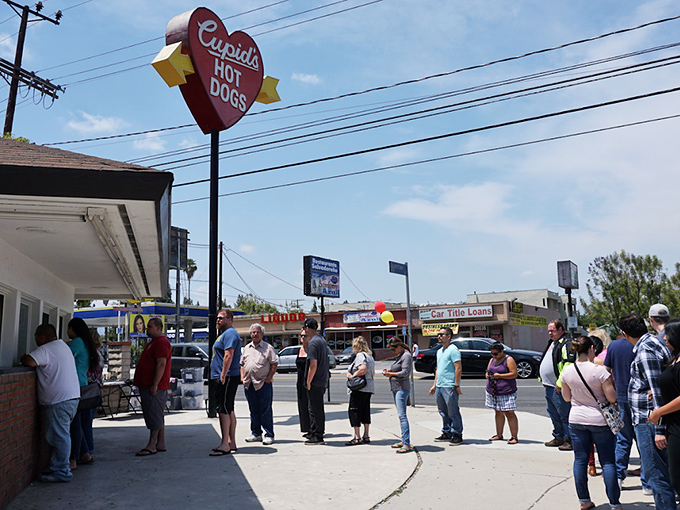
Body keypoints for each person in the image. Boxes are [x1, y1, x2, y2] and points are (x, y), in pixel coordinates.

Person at [622, 312, 677, 510]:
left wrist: (660, 430)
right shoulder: (654, 344)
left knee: (656, 474)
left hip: (649, 421)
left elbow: (657, 390)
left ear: (624, 334)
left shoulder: (645, 351)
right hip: (652, 419)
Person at [561, 336, 621, 510]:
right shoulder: (599, 371)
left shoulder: (567, 371)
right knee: (608, 462)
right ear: (591, 349)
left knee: (580, 460)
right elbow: (612, 397)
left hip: (576, 418)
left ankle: (584, 501)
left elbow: (566, 397)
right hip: (599, 420)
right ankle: (614, 503)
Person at [20, 324, 80, 482]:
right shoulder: (62, 346)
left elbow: (30, 362)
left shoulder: (47, 348)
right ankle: (57, 467)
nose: (35, 340)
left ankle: (61, 472)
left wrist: (24, 357)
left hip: (59, 401)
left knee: (60, 437)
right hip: (70, 399)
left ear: (41, 337)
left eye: (35, 337)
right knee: (60, 436)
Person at [649, 318, 680, 500]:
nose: (665, 338)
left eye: (668, 334)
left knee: (677, 479)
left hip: (677, 426)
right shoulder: (675, 356)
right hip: (674, 425)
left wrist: (659, 412)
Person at [133, 317, 171, 456]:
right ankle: (160, 442)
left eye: (149, 327)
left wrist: (155, 384)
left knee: (153, 414)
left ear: (158, 328)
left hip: (154, 387)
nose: (146, 329)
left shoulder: (161, 342)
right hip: (149, 385)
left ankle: (152, 444)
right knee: (157, 414)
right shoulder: (154, 342)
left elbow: (161, 364)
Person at [66, 317, 100, 470]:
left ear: (73, 329)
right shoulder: (85, 343)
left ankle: (74, 458)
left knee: (74, 424)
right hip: (81, 385)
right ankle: (85, 453)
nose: (67, 332)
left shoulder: (77, 342)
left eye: (69, 328)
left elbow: (62, 356)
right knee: (77, 423)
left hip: (75, 387)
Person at [209, 309, 242, 456]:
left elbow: (228, 355)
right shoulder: (224, 334)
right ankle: (230, 442)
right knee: (229, 409)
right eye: (217, 318)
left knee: (223, 410)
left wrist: (222, 375)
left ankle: (224, 444)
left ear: (229, 319)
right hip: (225, 376)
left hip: (226, 377)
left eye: (221, 318)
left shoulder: (229, 334)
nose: (218, 320)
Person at [241, 323, 278, 445]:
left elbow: (274, 364)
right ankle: (256, 433)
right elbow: (242, 365)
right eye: (253, 332)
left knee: (265, 410)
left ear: (262, 334)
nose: (255, 334)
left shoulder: (268, 348)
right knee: (253, 410)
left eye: (257, 332)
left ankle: (269, 434)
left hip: (263, 384)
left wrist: (268, 378)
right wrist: (242, 378)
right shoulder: (246, 348)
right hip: (249, 383)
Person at [539, 320, 574, 450]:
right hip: (549, 386)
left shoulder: (566, 343)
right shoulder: (552, 343)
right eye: (549, 331)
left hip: (559, 387)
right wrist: (541, 378)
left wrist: (560, 383)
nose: (550, 333)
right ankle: (558, 437)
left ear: (561, 330)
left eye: (552, 330)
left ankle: (569, 439)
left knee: (564, 414)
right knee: (553, 413)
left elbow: (568, 364)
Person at [428, 327, 464, 445]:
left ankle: (457, 434)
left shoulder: (453, 350)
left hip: (449, 386)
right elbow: (438, 369)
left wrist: (456, 384)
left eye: (442, 334)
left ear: (449, 336)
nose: (439, 336)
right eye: (438, 334)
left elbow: (458, 367)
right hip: (440, 386)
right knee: (443, 411)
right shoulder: (439, 351)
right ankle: (447, 432)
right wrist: (434, 385)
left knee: (453, 411)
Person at [382, 338, 413, 453]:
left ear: (399, 346)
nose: (392, 352)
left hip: (401, 388)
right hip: (396, 387)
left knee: (402, 416)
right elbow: (398, 369)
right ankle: (403, 440)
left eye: (393, 349)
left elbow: (405, 372)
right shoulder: (401, 355)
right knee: (401, 416)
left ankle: (406, 443)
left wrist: (391, 374)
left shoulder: (406, 356)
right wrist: (390, 371)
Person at [485, 342, 519, 444]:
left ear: (502, 351)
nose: (494, 356)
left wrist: (500, 376)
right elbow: (488, 370)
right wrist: (487, 374)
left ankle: (514, 437)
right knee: (498, 412)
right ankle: (499, 434)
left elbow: (514, 373)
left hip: (506, 391)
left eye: (496, 353)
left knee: (509, 413)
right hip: (494, 390)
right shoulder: (492, 360)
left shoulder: (508, 359)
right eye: (492, 354)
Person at [345, 336, 375, 446]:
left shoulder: (360, 356)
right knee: (365, 411)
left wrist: (352, 375)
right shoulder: (369, 356)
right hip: (369, 388)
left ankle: (356, 437)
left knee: (354, 410)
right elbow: (372, 373)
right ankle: (366, 435)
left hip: (359, 388)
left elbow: (362, 369)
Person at [303, 317, 328, 445]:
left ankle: (317, 435)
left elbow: (313, 364)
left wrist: (308, 381)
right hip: (322, 380)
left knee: (315, 409)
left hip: (315, 381)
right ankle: (314, 432)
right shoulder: (322, 340)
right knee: (315, 408)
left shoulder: (313, 343)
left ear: (307, 328)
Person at [296, 329, 311, 438]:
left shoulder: (312, 350)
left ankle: (313, 429)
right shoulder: (299, 349)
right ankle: (306, 428)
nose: (303, 338)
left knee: (311, 405)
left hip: (309, 380)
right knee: (302, 404)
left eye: (305, 336)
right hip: (300, 381)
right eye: (301, 336)